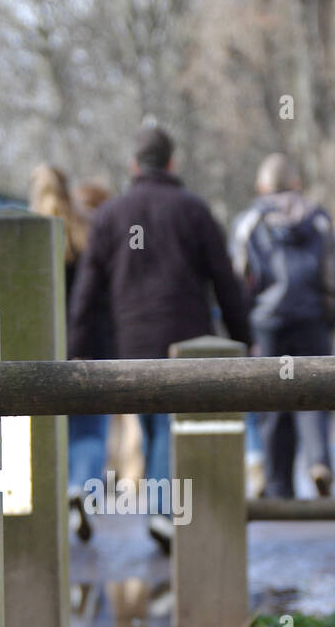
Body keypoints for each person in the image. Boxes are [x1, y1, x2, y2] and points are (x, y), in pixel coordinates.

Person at [69, 123, 249, 549]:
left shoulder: (111, 215)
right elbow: (225, 279)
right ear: (172, 162)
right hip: (187, 340)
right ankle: (165, 511)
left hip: (131, 341)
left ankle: (162, 507)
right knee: (167, 425)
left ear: (133, 164)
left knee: (153, 425)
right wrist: (244, 336)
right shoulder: (194, 210)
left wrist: (76, 349)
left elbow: (89, 290)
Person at [231, 153, 335, 497]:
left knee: (271, 402)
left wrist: (243, 328)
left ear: (261, 185)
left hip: (266, 323)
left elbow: (238, 278)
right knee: (316, 394)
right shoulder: (319, 219)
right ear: (296, 183)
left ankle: (279, 484)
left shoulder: (248, 221)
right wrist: (330, 318)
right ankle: (319, 462)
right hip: (311, 318)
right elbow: (333, 277)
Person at [27, 165, 102, 540]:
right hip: (87, 346)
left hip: (40, 349)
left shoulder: (25, 237)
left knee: (44, 430)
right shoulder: (86, 231)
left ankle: (46, 505)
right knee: (89, 428)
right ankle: (83, 489)